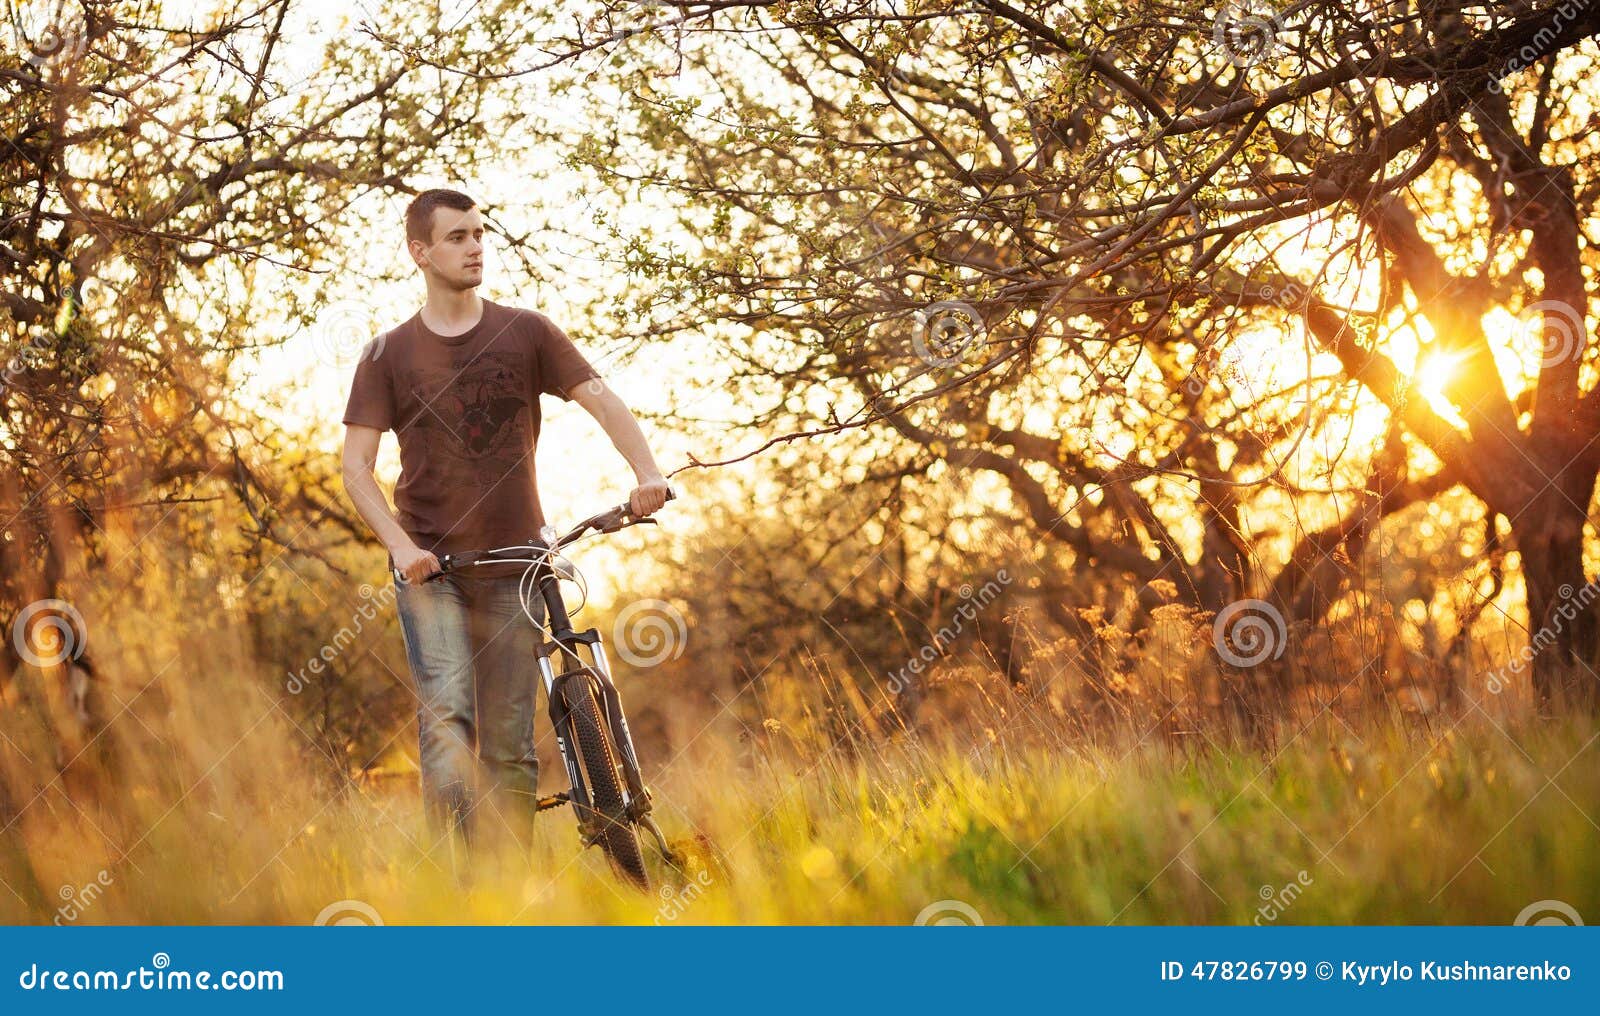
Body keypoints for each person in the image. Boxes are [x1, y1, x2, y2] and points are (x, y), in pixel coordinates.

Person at [339, 188, 671, 871]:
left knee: (511, 744)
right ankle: (457, 895)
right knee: (449, 727)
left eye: (479, 234)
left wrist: (647, 472)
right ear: (420, 252)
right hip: (434, 574)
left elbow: (601, 400)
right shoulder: (387, 354)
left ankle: (506, 891)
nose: (474, 247)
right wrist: (403, 549)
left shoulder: (527, 332)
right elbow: (355, 467)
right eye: (457, 237)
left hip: (518, 567)